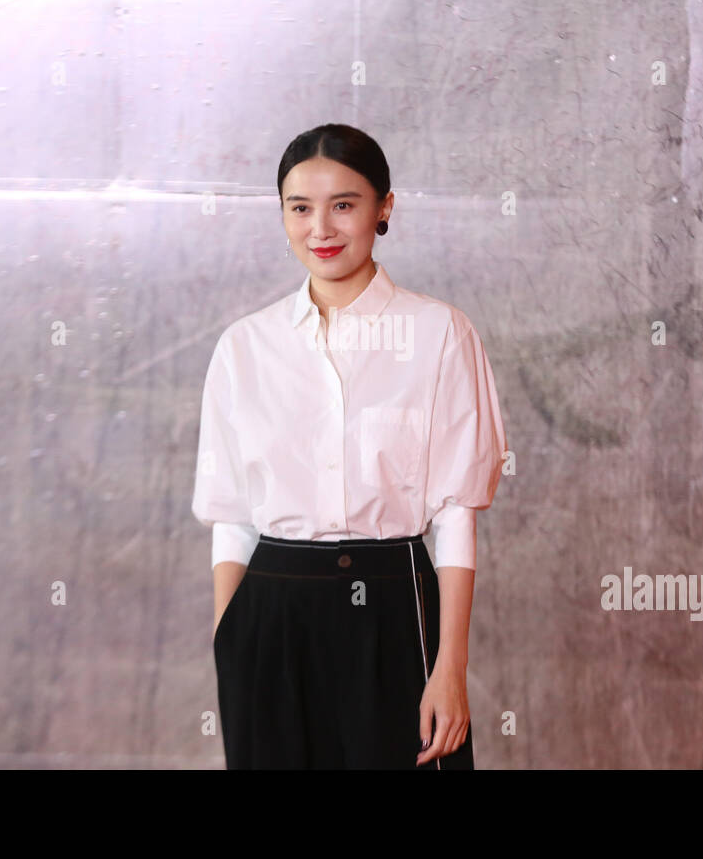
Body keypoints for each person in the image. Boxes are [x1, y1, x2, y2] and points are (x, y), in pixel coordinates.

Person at [192, 123, 507, 769]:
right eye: (299, 208)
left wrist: (451, 665)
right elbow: (232, 516)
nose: (321, 229)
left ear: (384, 207)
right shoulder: (245, 347)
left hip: (393, 608)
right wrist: (232, 646)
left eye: (344, 204)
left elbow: (453, 514)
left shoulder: (439, 334)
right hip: (269, 617)